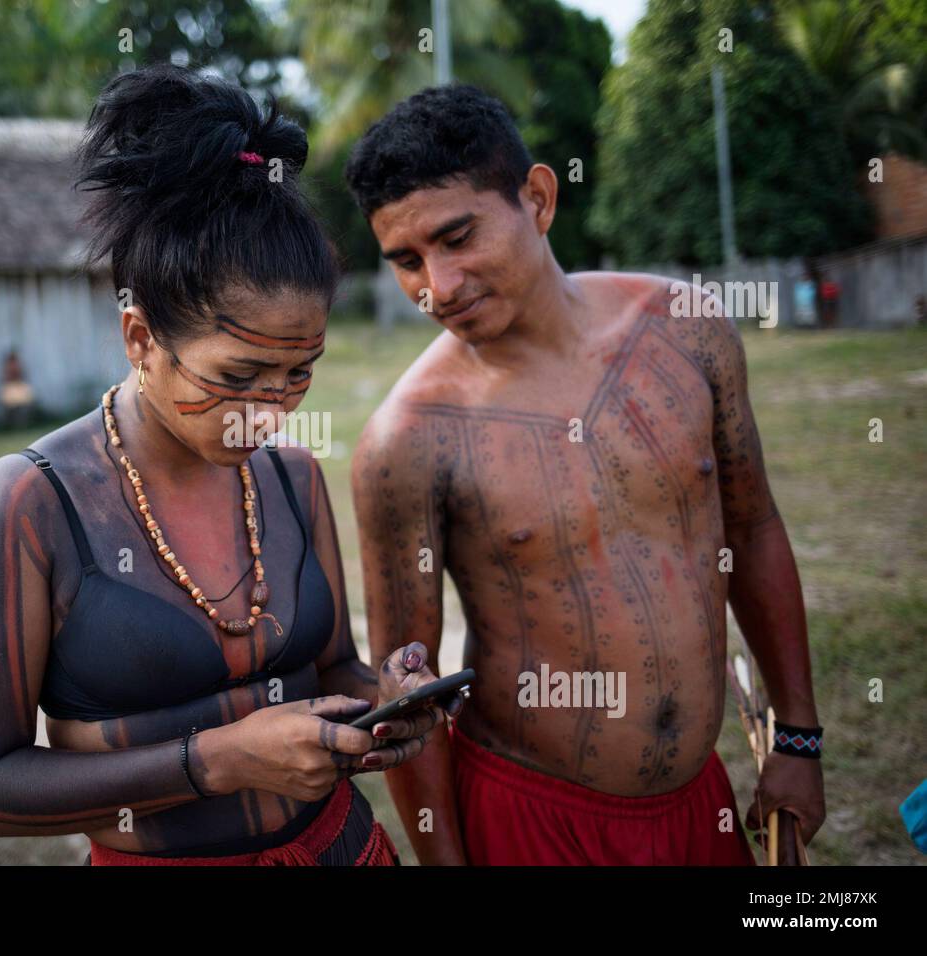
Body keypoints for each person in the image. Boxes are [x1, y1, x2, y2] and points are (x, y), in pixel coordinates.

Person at [0, 65, 457, 866]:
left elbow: (331, 669)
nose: (270, 412)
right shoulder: (34, 503)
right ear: (141, 338)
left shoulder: (291, 480)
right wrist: (216, 761)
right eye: (238, 376)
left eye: (298, 372)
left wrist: (385, 697)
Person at [344, 85, 823, 865]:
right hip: (530, 818)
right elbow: (408, 692)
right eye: (406, 260)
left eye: (457, 237)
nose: (439, 285)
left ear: (537, 198)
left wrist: (798, 739)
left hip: (697, 803)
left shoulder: (686, 331)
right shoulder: (406, 441)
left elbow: (754, 527)